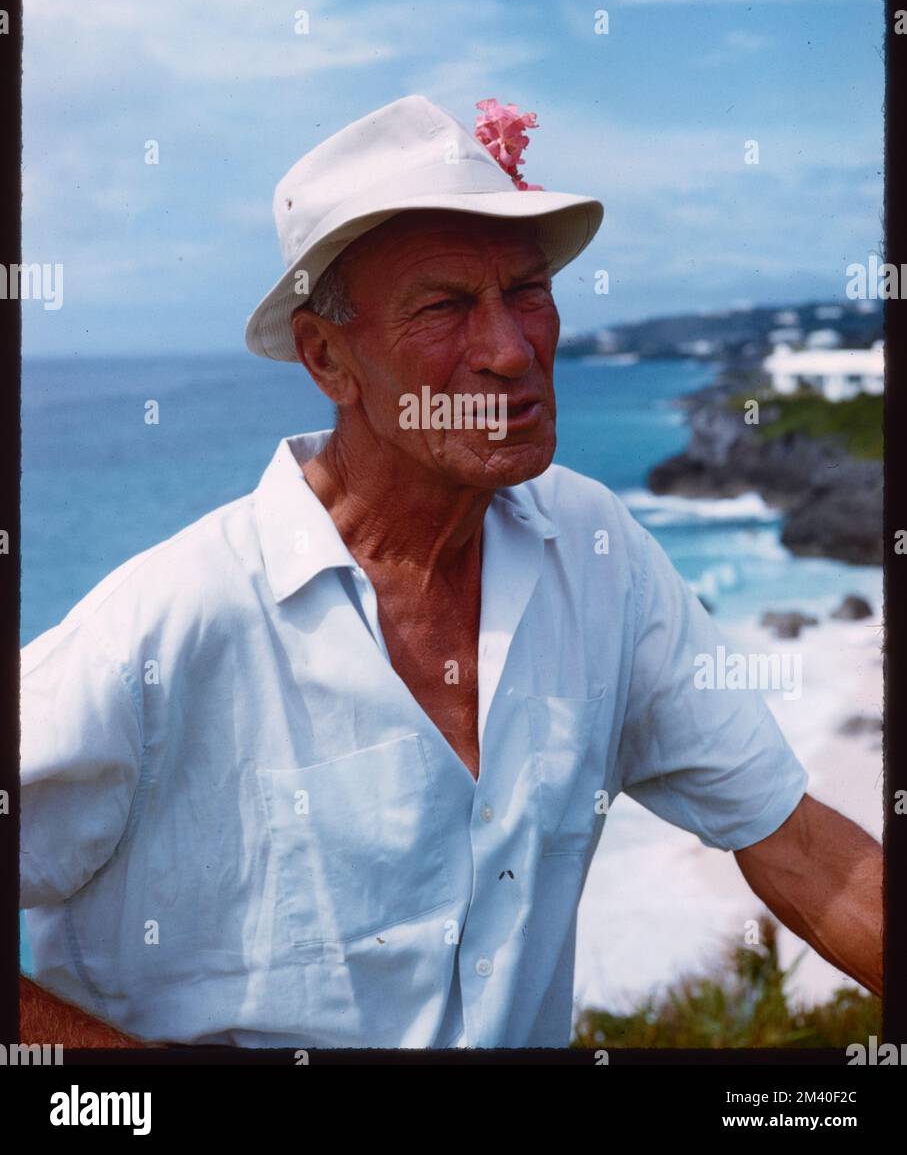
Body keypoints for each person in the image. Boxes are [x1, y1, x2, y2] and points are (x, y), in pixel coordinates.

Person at [19, 94, 882, 1049]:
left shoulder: (596, 552)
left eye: (526, 292)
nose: (510, 352)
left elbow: (801, 849)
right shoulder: (171, 619)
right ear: (326, 358)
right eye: (443, 308)